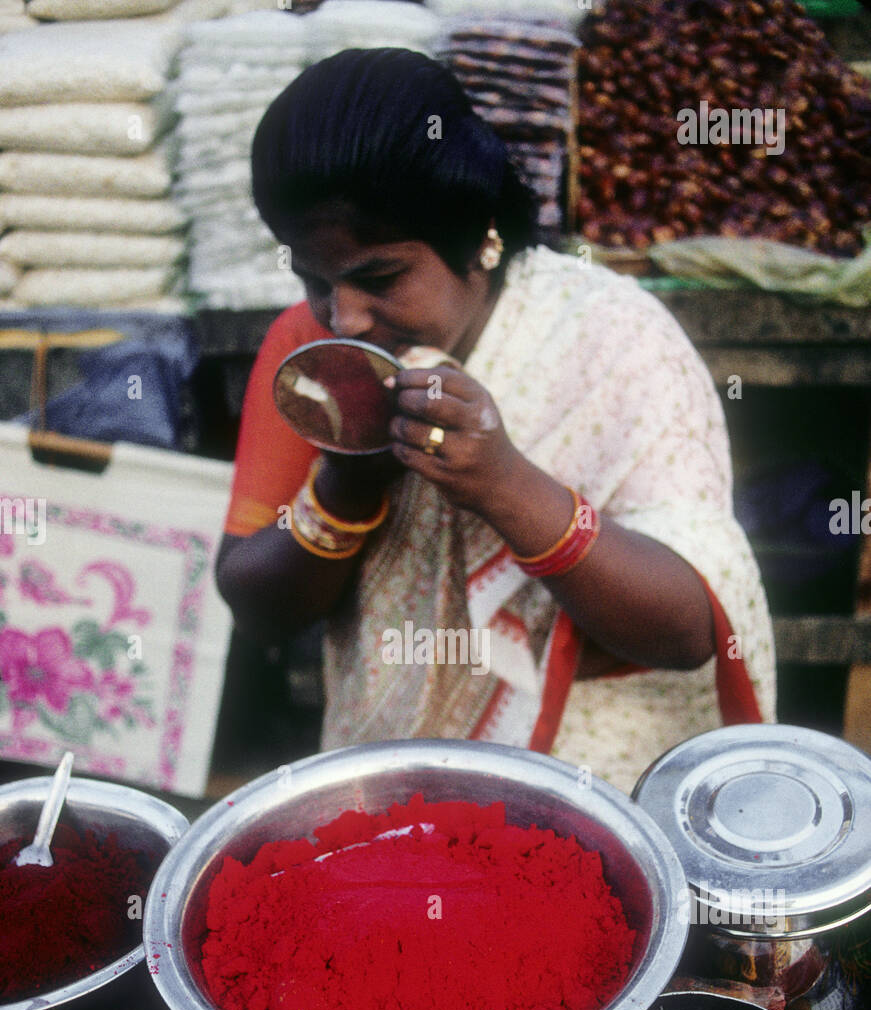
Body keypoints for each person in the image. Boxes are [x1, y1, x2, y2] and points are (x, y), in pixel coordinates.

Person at [216, 48, 775, 792]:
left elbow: (687, 628)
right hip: (395, 780)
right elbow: (257, 610)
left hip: (593, 783)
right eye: (313, 279)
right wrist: (345, 486)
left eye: (379, 277)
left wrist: (503, 484)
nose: (343, 316)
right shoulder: (309, 354)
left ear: (478, 239)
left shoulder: (611, 336)